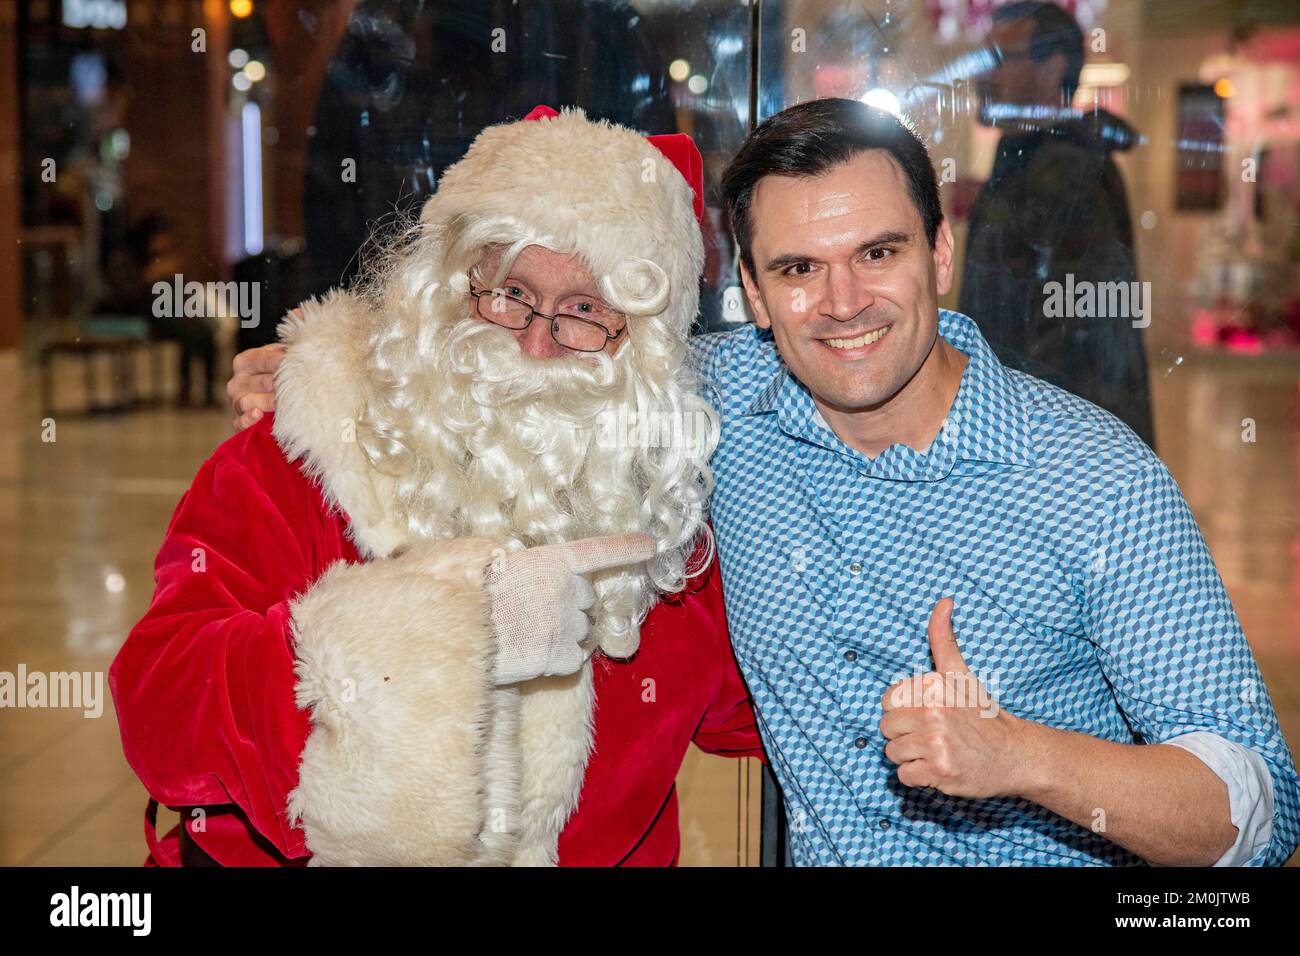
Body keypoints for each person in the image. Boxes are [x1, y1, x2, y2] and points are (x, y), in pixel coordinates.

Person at [232, 99, 1300, 867]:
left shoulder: (1092, 478)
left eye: (877, 252)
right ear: (749, 290)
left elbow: (1253, 807)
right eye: (796, 269)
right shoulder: (717, 402)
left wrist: (1025, 758)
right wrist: (338, 363)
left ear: (939, 251)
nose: (842, 302)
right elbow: (542, 343)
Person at [112, 106, 764, 867]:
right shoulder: (306, 457)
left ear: (643, 350)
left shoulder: (668, 534)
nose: (534, 343)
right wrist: (424, 641)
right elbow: (160, 710)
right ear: (451, 287)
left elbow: (805, 707)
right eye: (510, 292)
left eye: (584, 311)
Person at [960, 1, 1154, 447]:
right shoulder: (1029, 167)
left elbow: (1077, 341)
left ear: (1053, 69)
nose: (981, 77)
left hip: (1059, 459)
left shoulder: (1070, 177)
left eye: (997, 61)